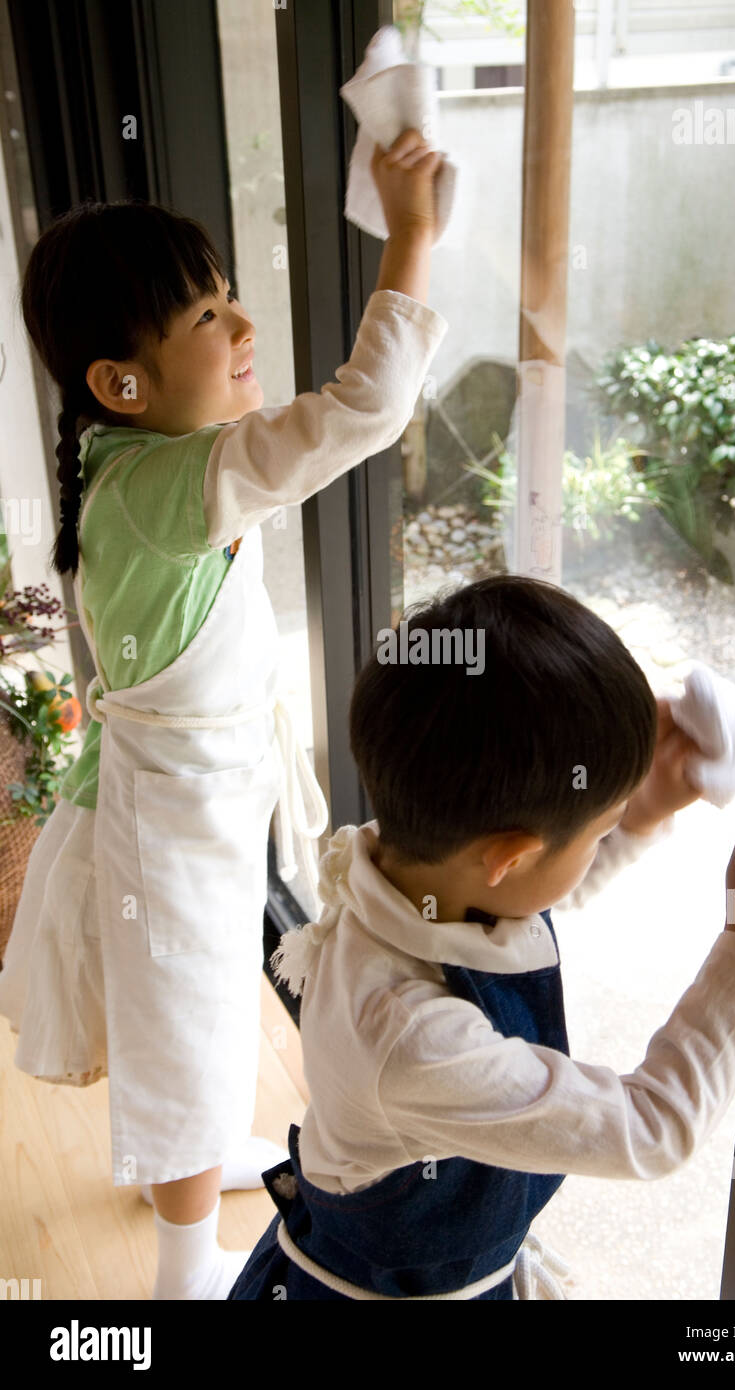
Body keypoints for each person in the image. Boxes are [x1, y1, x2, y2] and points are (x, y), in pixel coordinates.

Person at [0, 130, 447, 1300]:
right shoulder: (167, 485)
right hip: (167, 823)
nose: (243, 330)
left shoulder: (138, 456)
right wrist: (410, 235)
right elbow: (360, 411)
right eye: (207, 316)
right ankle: (181, 1285)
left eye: (229, 299)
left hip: (185, 803)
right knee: (189, 1046)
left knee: (195, 1016)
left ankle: (186, 1199)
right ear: (119, 382)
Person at [228, 574, 735, 1301]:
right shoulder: (411, 1036)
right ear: (510, 855)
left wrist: (634, 814)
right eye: (597, 832)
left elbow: (527, 892)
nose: (604, 838)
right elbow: (650, 1126)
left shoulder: (418, 862)